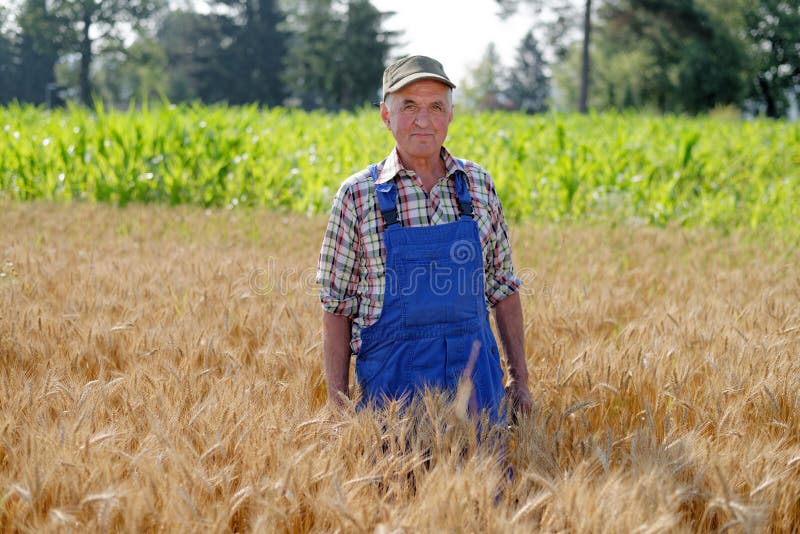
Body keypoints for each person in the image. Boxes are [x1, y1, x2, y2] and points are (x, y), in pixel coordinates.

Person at [317, 55, 533, 423]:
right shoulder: (357, 195)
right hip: (391, 401)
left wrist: (520, 380)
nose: (423, 120)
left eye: (436, 106)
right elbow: (336, 306)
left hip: (477, 394)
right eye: (409, 106)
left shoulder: (477, 185)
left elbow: (503, 287)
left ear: (450, 115)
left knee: (484, 482)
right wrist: (337, 404)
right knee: (393, 482)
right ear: (386, 115)